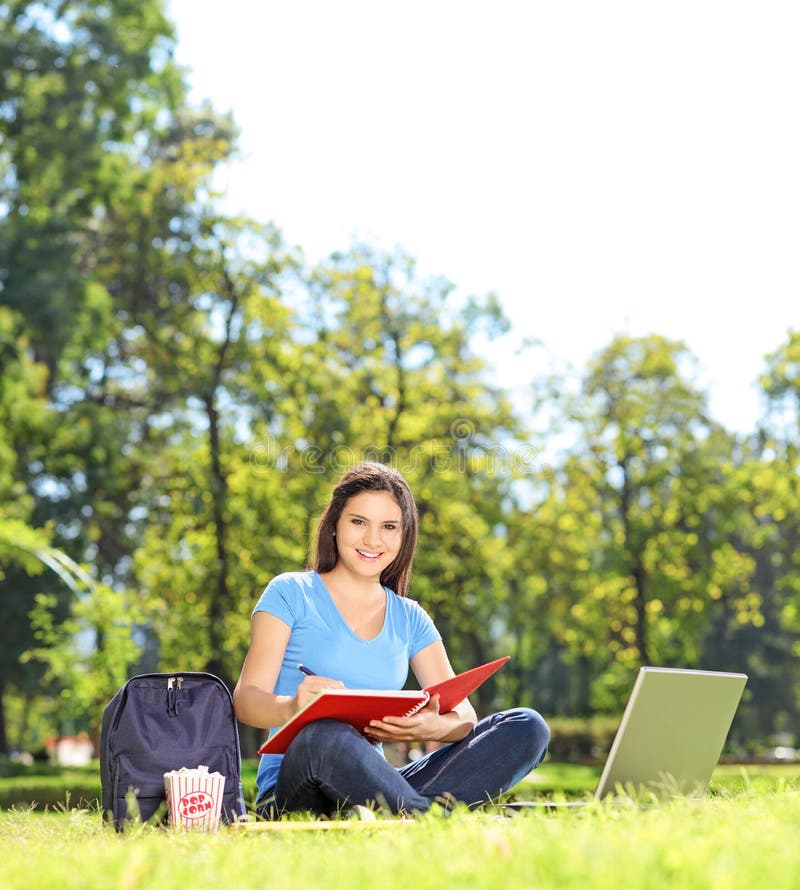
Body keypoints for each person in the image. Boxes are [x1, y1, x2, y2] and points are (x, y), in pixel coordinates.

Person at [233, 461, 550, 817]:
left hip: (375, 789)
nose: (373, 540)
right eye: (358, 522)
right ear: (334, 525)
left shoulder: (410, 617)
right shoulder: (290, 592)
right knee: (324, 733)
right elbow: (246, 701)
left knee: (527, 727)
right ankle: (424, 819)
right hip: (296, 785)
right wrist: (293, 706)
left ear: (403, 535)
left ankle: (405, 816)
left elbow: (463, 715)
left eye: (388, 527)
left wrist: (434, 726)